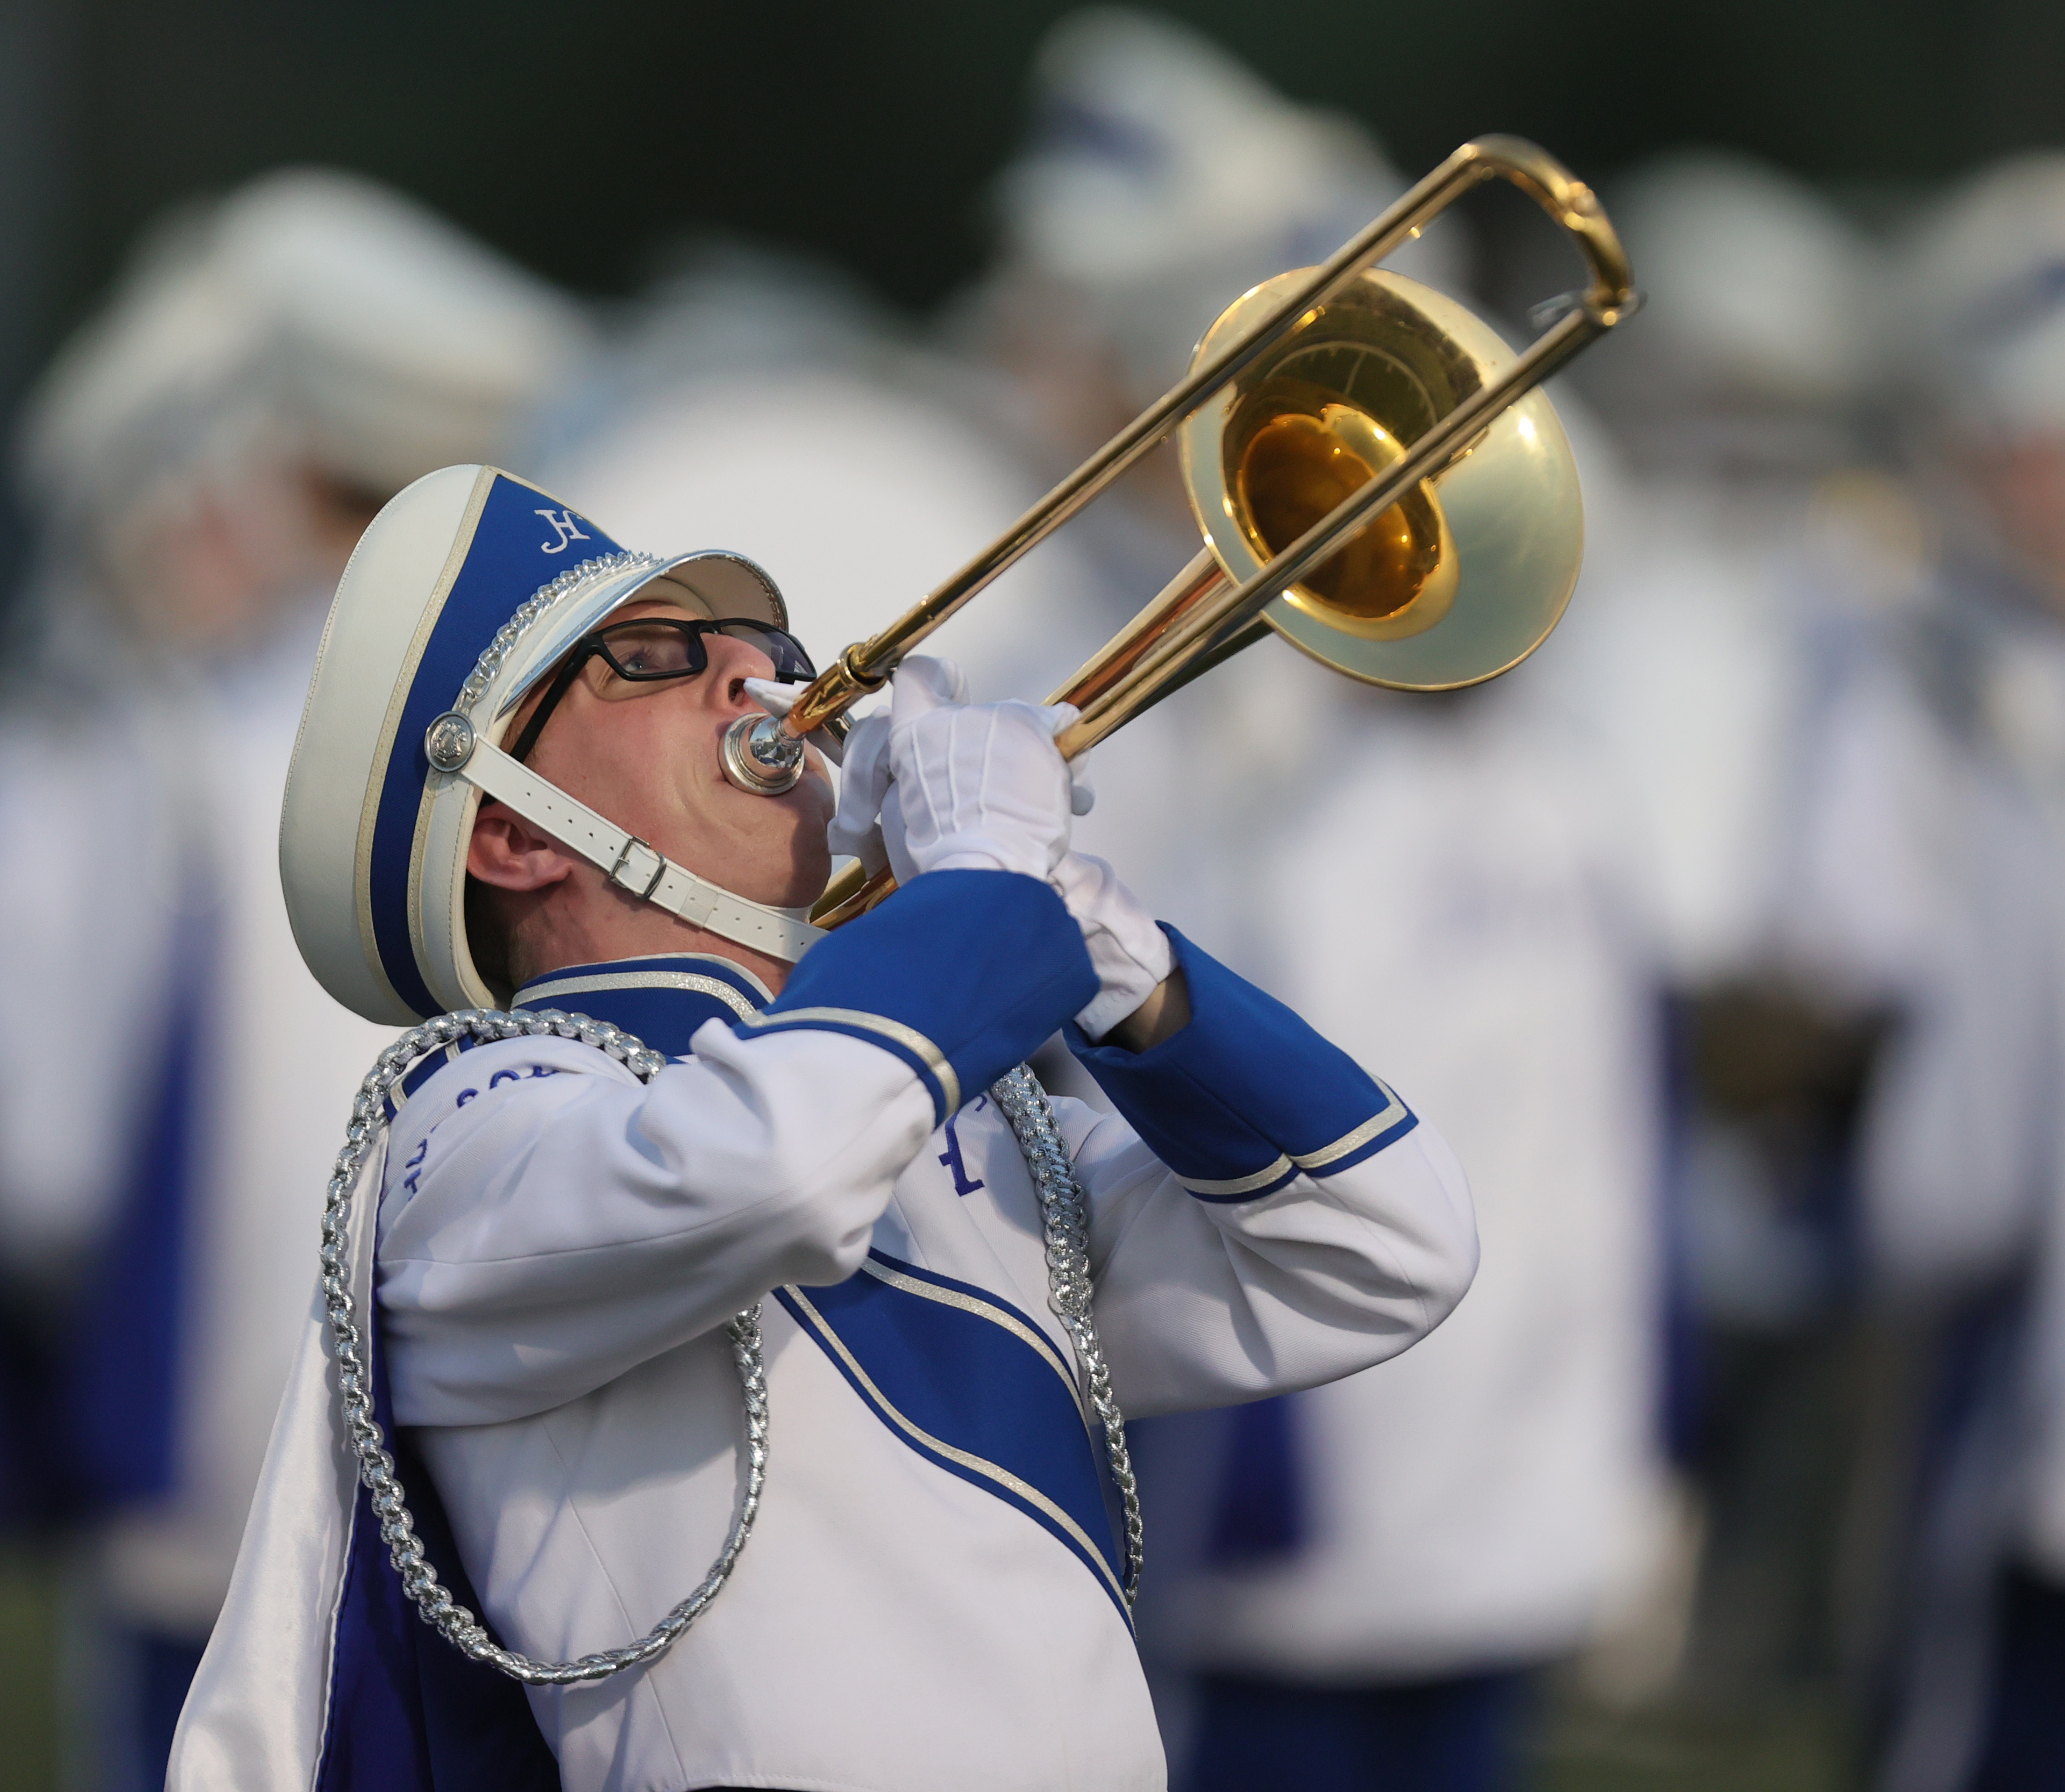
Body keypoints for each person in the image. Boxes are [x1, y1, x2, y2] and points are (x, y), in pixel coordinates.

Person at [169, 463, 1480, 1792]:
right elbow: (771, 1170)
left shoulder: (950, 1120)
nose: (755, 670)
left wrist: (1109, 948)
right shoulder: (470, 1125)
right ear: (512, 835)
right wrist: (971, 892)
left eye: (761, 645)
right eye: (647, 657)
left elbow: (1380, 1250)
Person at [0, 166, 589, 1789]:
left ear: (265, 476)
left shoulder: (174, 748)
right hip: (496, 1499)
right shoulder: (552, 762)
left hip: (210, 1492)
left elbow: (43, 1168)